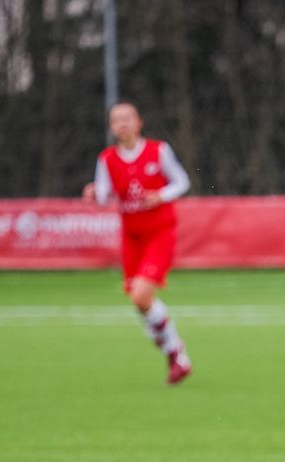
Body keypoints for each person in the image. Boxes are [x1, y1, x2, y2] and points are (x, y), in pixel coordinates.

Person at [83, 101, 192, 385]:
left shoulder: (158, 151)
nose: (122, 124)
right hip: (131, 236)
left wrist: (162, 195)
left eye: (127, 118)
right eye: (117, 120)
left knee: (142, 296)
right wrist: (95, 194)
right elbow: (106, 195)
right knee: (140, 302)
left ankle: (175, 350)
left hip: (160, 231)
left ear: (138, 122)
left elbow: (182, 181)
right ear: (111, 127)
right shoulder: (107, 159)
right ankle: (172, 352)